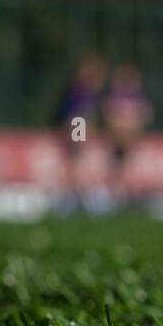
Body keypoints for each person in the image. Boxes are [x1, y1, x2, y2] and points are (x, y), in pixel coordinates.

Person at [54, 52, 106, 211]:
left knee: (77, 160)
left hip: (79, 124)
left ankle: (76, 194)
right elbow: (78, 117)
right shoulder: (79, 93)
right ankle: (75, 195)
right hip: (78, 123)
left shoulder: (84, 93)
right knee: (76, 160)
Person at [101, 63, 153, 207]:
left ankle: (126, 194)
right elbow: (77, 120)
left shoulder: (136, 95)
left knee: (127, 164)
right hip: (114, 138)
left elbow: (145, 114)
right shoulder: (82, 94)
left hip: (128, 138)